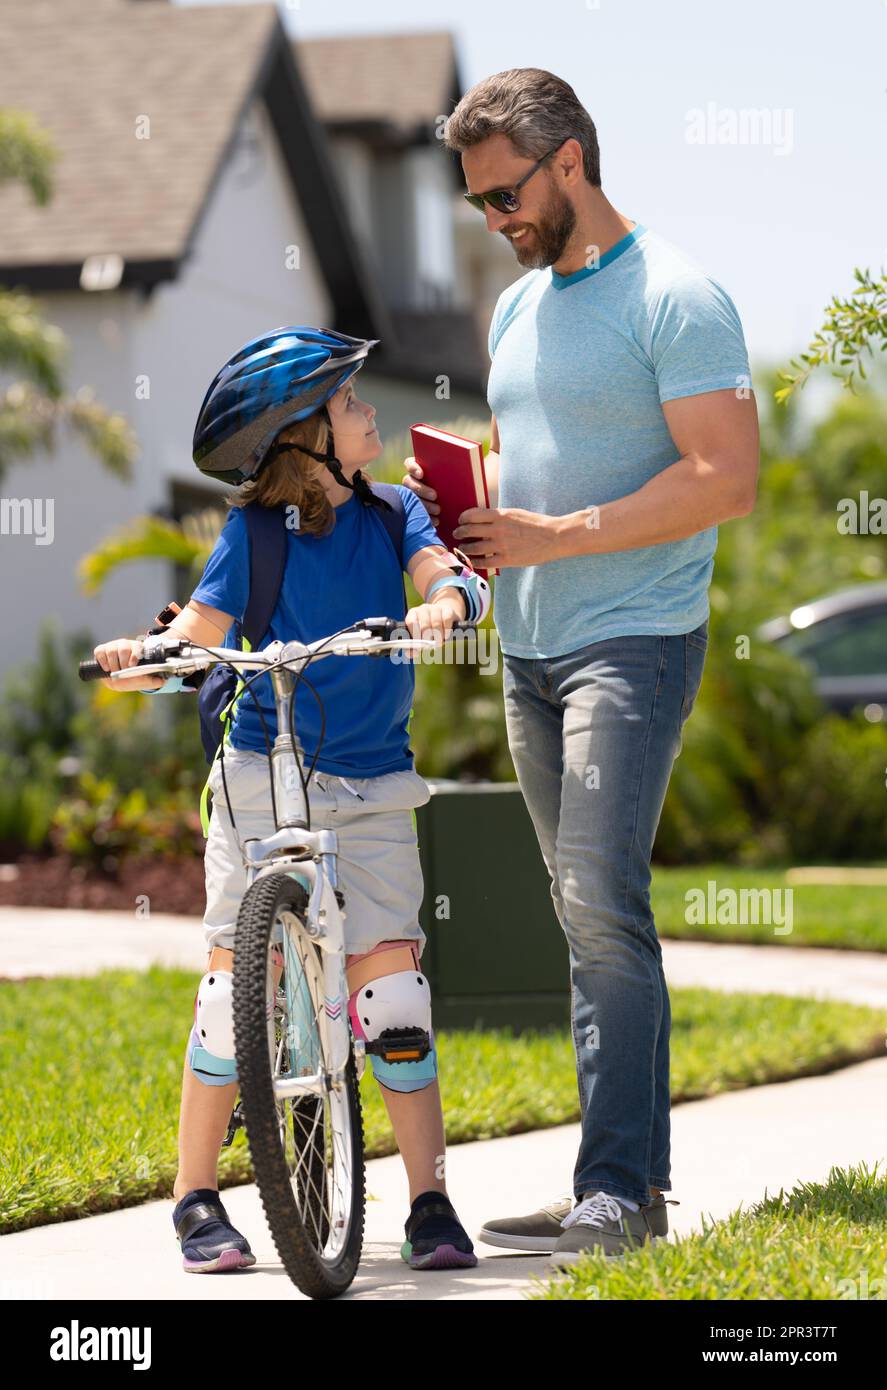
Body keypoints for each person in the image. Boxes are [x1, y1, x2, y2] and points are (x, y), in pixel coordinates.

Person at [404, 70, 759, 1267]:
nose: (494, 220)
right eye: (476, 206)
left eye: (505, 194)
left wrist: (556, 537)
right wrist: (462, 500)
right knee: (581, 915)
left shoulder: (676, 295)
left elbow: (724, 479)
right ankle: (624, 1187)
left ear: (568, 162)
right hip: (531, 647)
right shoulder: (514, 313)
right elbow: (530, 467)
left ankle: (613, 1191)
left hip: (633, 639)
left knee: (603, 907)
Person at [93, 327, 491, 1274]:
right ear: (304, 440)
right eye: (350, 405)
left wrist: (442, 605)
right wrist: (140, 660)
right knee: (235, 990)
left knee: (391, 996)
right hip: (257, 783)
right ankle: (195, 1195)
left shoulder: (395, 513)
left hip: (372, 784)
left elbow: (447, 579)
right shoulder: (253, 536)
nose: (368, 414)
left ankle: (428, 1200)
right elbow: (197, 630)